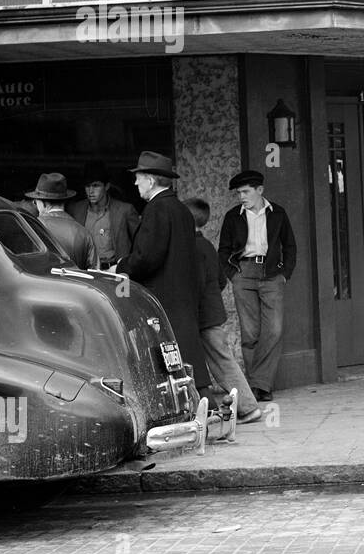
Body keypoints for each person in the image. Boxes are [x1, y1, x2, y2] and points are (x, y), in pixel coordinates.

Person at [116, 151, 208, 395]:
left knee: (170, 355)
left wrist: (122, 267)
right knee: (185, 351)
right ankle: (206, 403)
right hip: (182, 294)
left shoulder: (157, 209)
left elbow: (147, 257)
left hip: (163, 296)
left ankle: (198, 405)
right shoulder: (180, 209)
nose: (135, 183)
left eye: (139, 177)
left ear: (151, 180)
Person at [217, 170, 296, 404]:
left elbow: (290, 246)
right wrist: (233, 275)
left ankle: (259, 383)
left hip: (271, 274)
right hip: (244, 273)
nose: (241, 196)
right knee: (250, 333)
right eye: (239, 193)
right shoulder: (233, 216)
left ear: (259, 190)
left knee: (273, 330)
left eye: (245, 191)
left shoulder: (278, 213)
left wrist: (285, 275)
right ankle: (258, 387)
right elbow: (223, 250)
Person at [185, 198, 263, 424]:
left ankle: (248, 407)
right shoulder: (207, 245)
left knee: (221, 360)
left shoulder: (192, 248)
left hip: (205, 316)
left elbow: (197, 284)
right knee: (220, 358)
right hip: (212, 312)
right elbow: (220, 280)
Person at [68, 161, 139, 268]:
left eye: (96, 186)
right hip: (84, 271)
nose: (91, 191)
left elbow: (139, 244)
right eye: (87, 186)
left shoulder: (125, 210)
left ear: (107, 186)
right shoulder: (76, 210)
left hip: (114, 270)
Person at [25, 172, 97, 269]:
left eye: (35, 202)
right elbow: (95, 273)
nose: (36, 206)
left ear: (43, 203)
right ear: (64, 200)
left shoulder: (31, 228)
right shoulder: (83, 233)